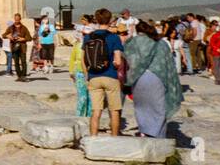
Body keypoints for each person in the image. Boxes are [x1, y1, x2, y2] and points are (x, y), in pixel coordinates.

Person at [124, 21, 183, 138]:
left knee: (141, 107)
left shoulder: (133, 42)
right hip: (157, 77)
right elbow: (169, 65)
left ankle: (144, 132)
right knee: (159, 109)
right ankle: (158, 136)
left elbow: (128, 60)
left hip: (138, 78)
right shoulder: (161, 43)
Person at [84, 8, 126, 136]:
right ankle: (114, 139)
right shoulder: (114, 37)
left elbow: (83, 59)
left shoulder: (87, 37)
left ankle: (93, 139)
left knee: (96, 111)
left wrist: (87, 75)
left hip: (93, 77)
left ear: (96, 20)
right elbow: (118, 61)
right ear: (110, 20)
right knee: (114, 111)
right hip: (110, 76)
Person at [3, 14, 31, 81]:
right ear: (14, 19)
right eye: (15, 19)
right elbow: (3, 35)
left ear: (20, 19)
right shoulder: (11, 28)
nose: (16, 20)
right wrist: (8, 36)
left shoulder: (24, 28)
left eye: (18, 19)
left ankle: (24, 75)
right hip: (14, 47)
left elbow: (29, 38)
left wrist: (23, 39)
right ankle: (19, 76)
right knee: (16, 62)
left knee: (23, 62)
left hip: (22, 47)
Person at [68, 32, 90, 116]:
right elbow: (72, 59)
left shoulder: (92, 44)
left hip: (91, 72)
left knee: (90, 97)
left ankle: (89, 116)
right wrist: (71, 71)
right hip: (80, 72)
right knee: (82, 96)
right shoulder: (77, 45)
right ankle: (80, 116)